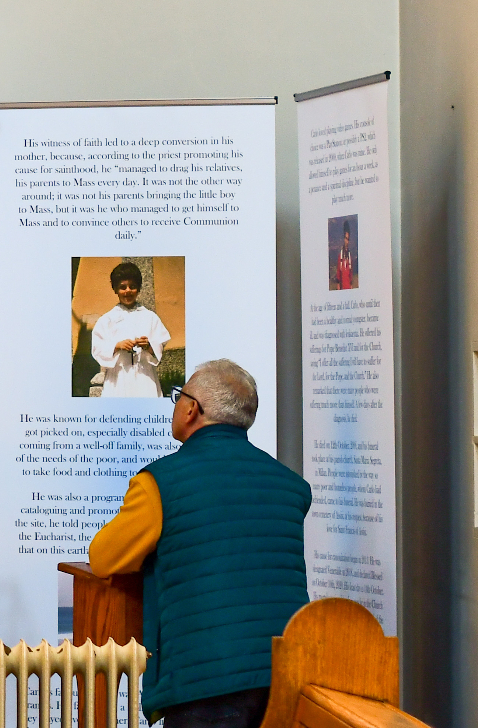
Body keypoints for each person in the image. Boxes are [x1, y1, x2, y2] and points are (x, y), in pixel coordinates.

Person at [88, 360, 312, 728]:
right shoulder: (289, 485)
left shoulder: (160, 482)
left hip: (205, 679)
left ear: (192, 409)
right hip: (285, 673)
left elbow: (103, 558)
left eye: (179, 397)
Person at [90, 262, 172, 397]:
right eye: (122, 287)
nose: (128, 291)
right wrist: (116, 346)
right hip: (118, 379)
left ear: (138, 288)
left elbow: (160, 346)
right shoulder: (107, 319)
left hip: (144, 377)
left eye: (132, 287)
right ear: (115, 289)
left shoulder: (150, 317)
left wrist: (149, 346)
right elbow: (97, 348)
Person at [336, 221, 354, 290]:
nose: (347, 241)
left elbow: (351, 272)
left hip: (348, 286)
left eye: (348, 239)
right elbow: (338, 271)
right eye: (346, 239)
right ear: (344, 239)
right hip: (342, 286)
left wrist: (351, 284)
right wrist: (338, 284)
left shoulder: (349, 256)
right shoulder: (340, 255)